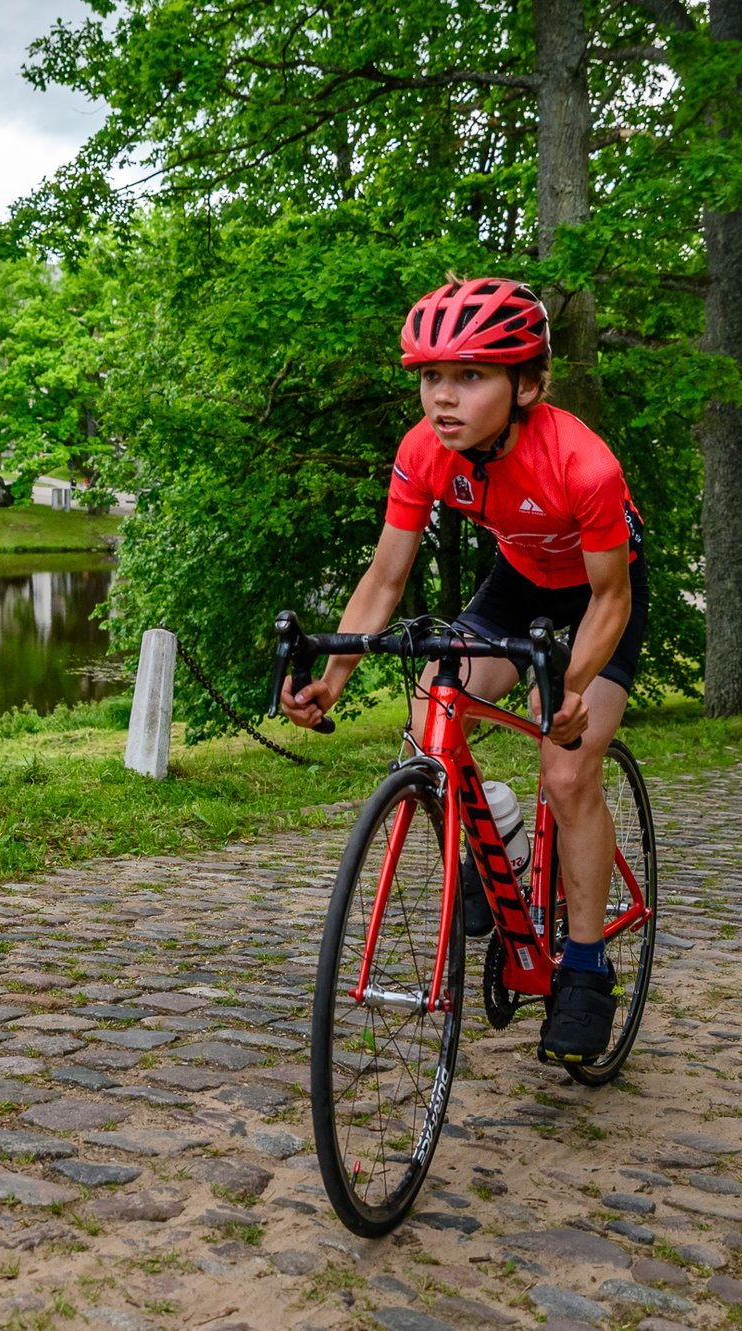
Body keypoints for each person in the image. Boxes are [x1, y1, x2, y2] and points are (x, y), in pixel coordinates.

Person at [279, 277, 647, 1065]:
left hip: (601, 595)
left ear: (529, 384)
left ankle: (584, 969)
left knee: (570, 767)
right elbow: (383, 581)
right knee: (428, 722)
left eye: (470, 376)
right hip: (519, 584)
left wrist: (573, 689)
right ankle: (497, 837)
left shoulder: (584, 464)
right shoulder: (425, 450)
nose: (442, 397)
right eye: (430, 376)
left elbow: (611, 598)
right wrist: (333, 679)